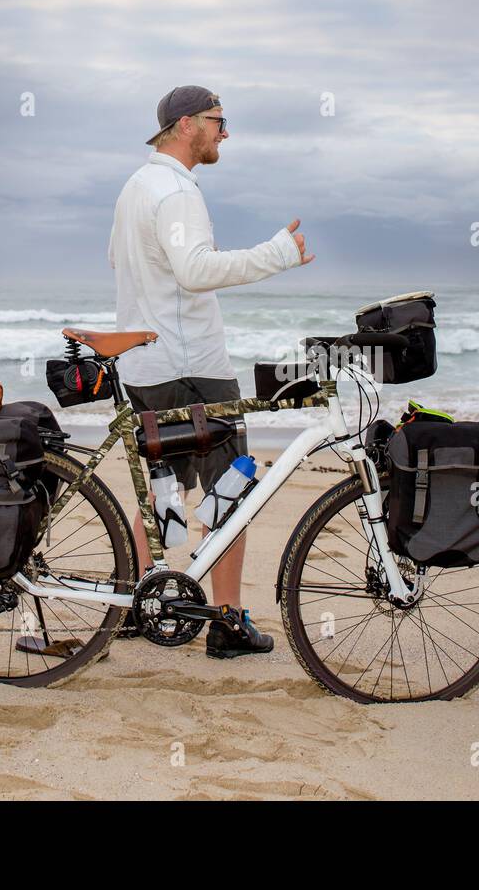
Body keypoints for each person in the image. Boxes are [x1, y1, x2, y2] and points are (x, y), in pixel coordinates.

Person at [108, 85, 313, 658]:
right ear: (185, 125)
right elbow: (194, 271)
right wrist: (278, 254)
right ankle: (225, 622)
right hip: (191, 362)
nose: (226, 132)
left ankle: (140, 602)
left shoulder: (136, 187)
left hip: (146, 361)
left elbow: (120, 260)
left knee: (161, 487)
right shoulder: (176, 191)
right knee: (231, 490)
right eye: (219, 121)